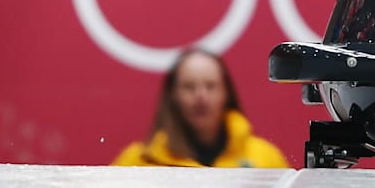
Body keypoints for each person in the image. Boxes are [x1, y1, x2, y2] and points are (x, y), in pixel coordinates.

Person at [111, 49, 289, 168]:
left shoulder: (266, 159)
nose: (201, 97)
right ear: (172, 96)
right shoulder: (136, 163)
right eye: (189, 87)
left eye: (210, 86)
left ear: (226, 93)